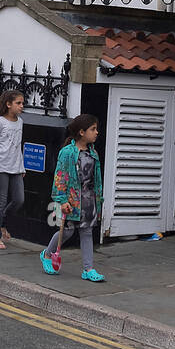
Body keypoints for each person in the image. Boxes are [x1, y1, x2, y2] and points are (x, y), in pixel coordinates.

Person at [41, 113, 105, 282]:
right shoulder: (67, 152)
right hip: (71, 200)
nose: (97, 132)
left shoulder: (93, 153)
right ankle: (47, 255)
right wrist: (61, 201)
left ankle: (88, 269)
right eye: (93, 129)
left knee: (87, 232)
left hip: (89, 199)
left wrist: (99, 199)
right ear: (82, 132)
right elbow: (60, 177)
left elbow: (96, 178)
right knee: (67, 232)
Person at [0, 90, 25, 250]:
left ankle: (1, 223)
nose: (21, 106)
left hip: (15, 168)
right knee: (0, 201)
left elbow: (18, 147)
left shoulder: (20, 122)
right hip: (1, 168)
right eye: (18, 103)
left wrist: (22, 167)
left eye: (22, 103)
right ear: (8, 104)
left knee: (19, 200)